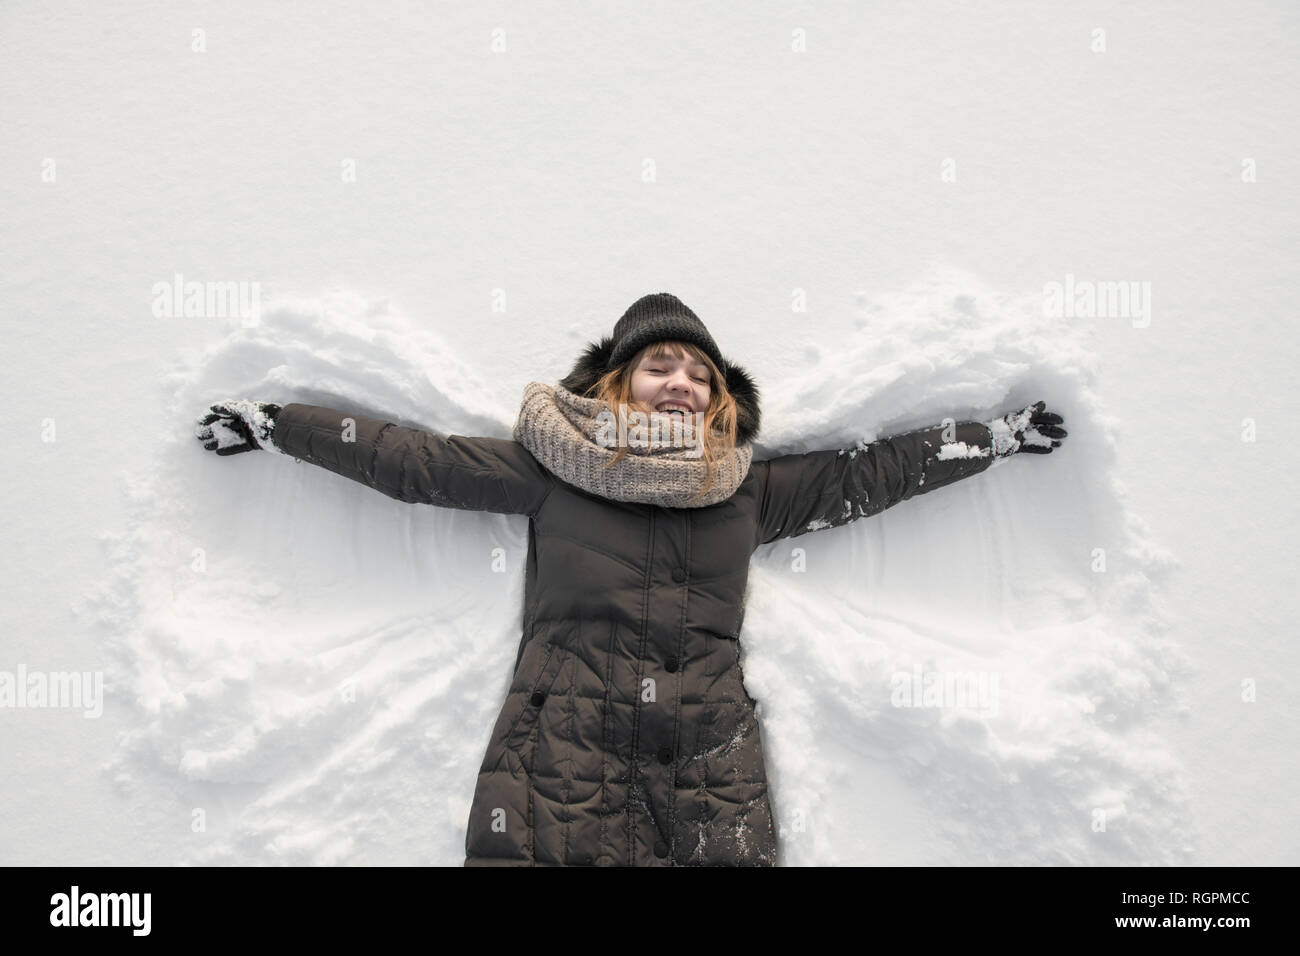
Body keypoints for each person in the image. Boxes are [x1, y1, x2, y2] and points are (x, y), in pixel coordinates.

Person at [194, 292, 1066, 866]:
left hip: (707, 746)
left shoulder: (748, 489)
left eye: (700, 374)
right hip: (560, 738)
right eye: (660, 366)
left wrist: (994, 437)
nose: (682, 382)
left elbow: (869, 475)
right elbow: (414, 462)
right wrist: (280, 426)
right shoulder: (552, 469)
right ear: (618, 383)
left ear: (720, 402)